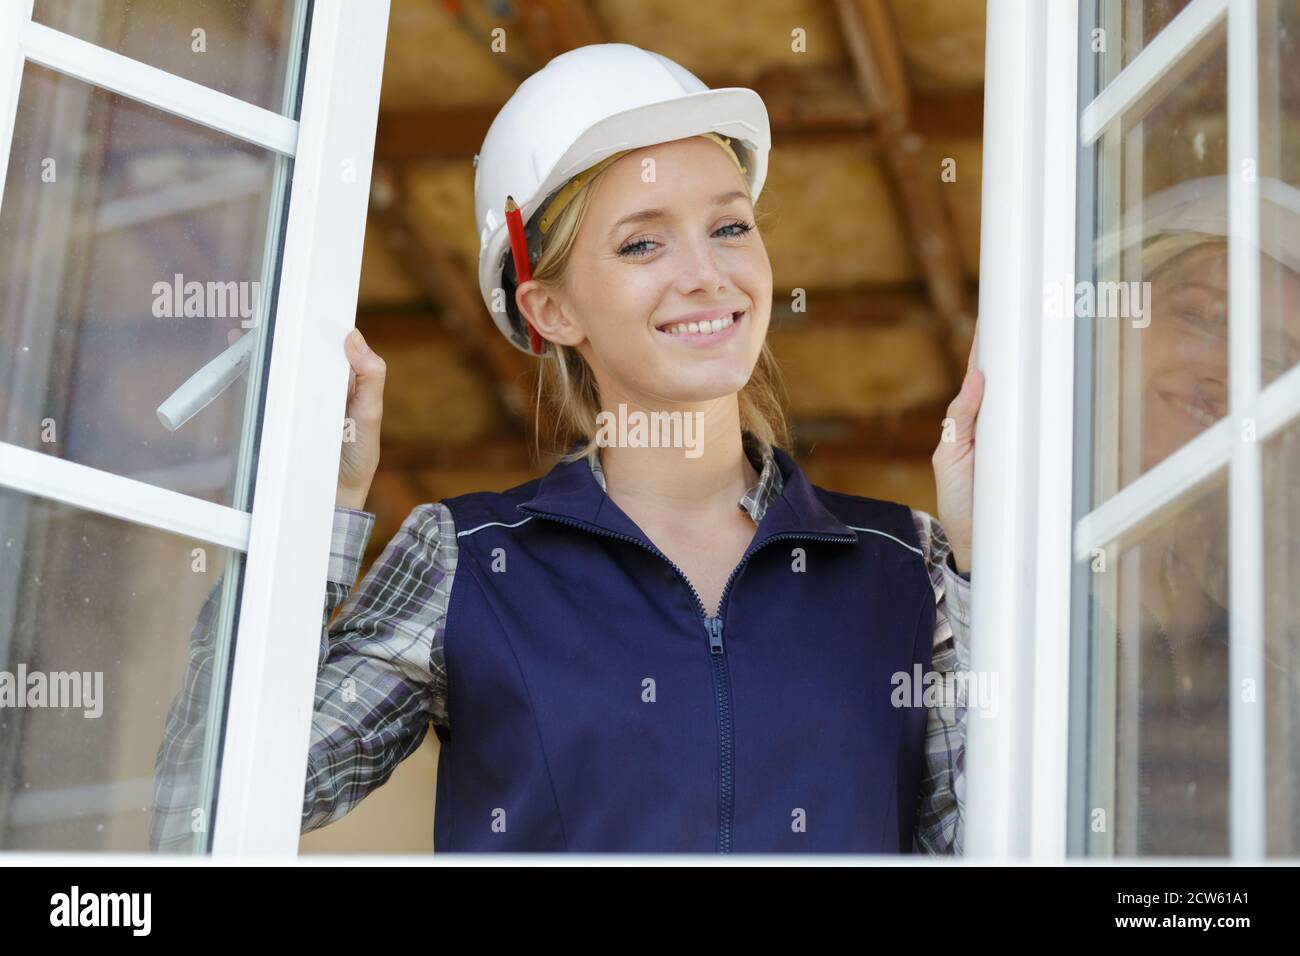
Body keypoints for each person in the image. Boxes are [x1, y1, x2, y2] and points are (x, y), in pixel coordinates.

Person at [153, 43, 984, 854]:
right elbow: (208, 801)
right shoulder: (467, 561)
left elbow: (1025, 827)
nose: (707, 274)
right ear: (551, 310)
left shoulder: (907, 565)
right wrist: (312, 512)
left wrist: (993, 567)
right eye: (642, 243)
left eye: (729, 226)